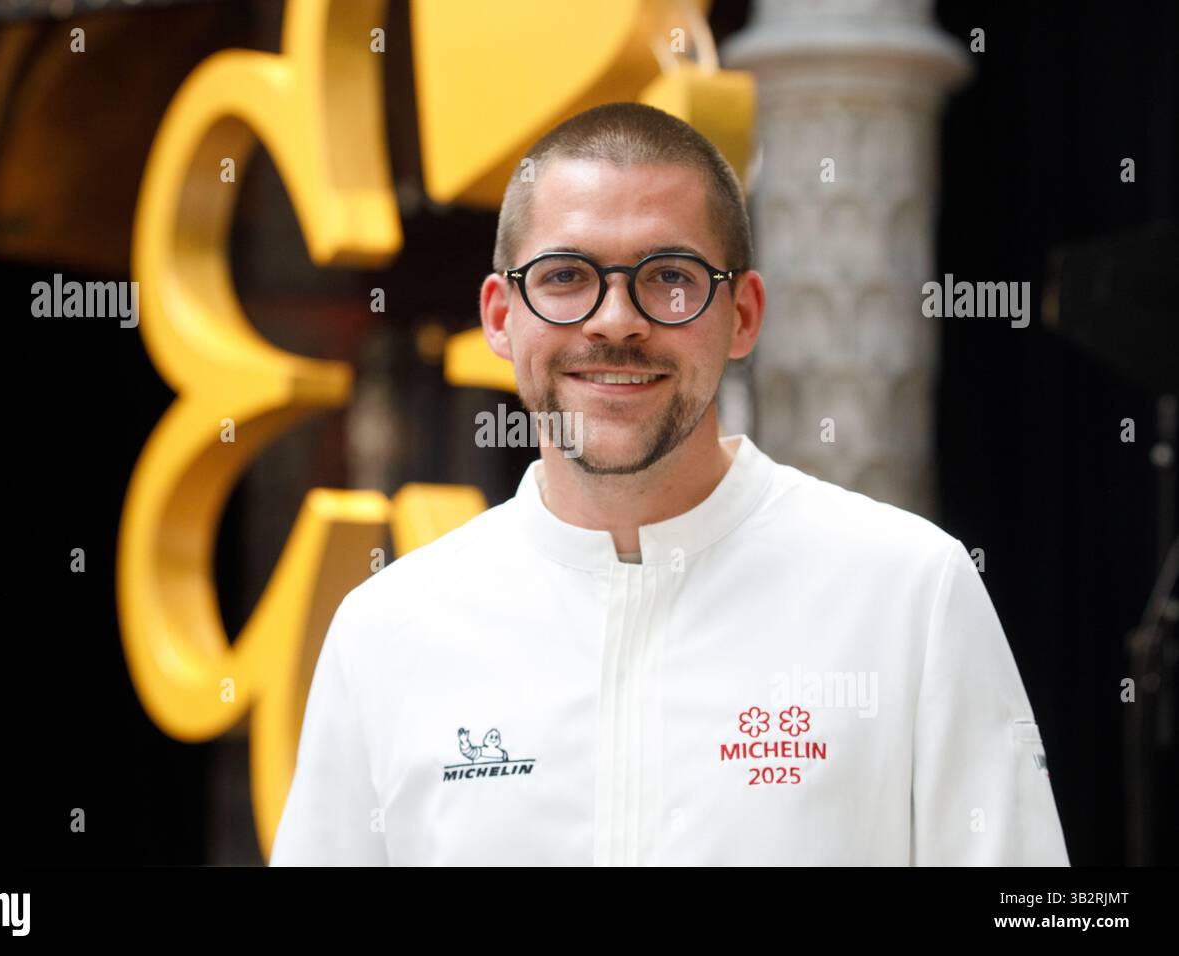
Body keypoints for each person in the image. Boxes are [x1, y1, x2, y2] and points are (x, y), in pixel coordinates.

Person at [269, 102, 1070, 866]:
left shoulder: (908, 593)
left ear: (743, 315)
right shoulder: (386, 633)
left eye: (670, 277)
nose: (616, 319)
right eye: (565, 275)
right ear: (501, 317)